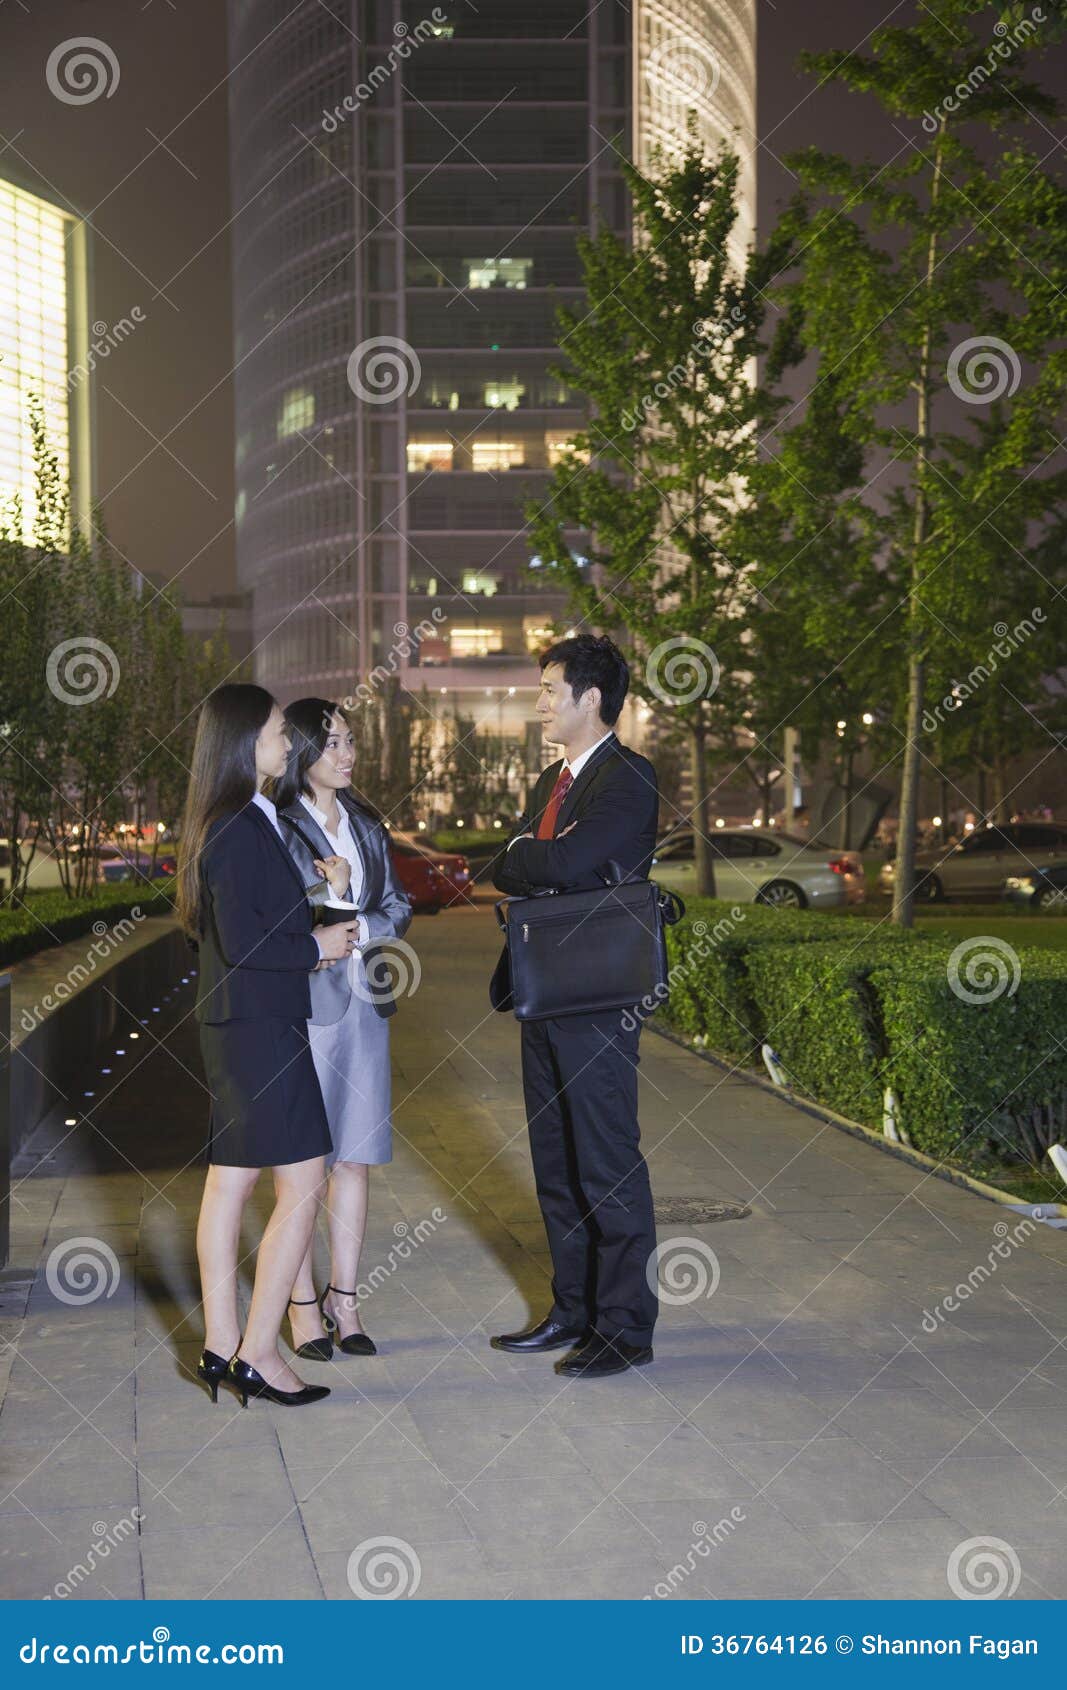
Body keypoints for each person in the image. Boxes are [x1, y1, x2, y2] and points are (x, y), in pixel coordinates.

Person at [176, 684, 358, 1408]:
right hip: (258, 1028)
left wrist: (315, 915)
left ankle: (222, 1346)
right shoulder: (237, 827)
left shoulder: (235, 820)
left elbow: (239, 927)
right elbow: (250, 942)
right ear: (246, 742)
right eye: (281, 731)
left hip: (239, 1023)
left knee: (231, 1182)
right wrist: (314, 945)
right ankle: (258, 1353)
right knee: (305, 1182)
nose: (289, 742)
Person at [489, 634, 660, 1378]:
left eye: (549, 690)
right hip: (543, 991)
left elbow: (549, 862)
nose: (539, 703)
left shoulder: (627, 779)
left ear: (592, 699)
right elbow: (514, 862)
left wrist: (528, 857)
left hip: (597, 1000)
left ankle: (624, 1328)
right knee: (556, 1162)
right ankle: (572, 1310)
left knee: (606, 1163)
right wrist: (530, 858)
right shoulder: (553, 782)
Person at [273, 700, 412, 1360]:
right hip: (301, 1007)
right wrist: (331, 910)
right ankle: (299, 1307)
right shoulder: (278, 824)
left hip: (364, 1004)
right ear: (301, 750)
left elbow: (397, 904)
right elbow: (269, 918)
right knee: (302, 1164)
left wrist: (360, 926)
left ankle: (345, 1301)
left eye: (351, 740)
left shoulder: (365, 822)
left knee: (354, 1157)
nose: (347, 753)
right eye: (331, 743)